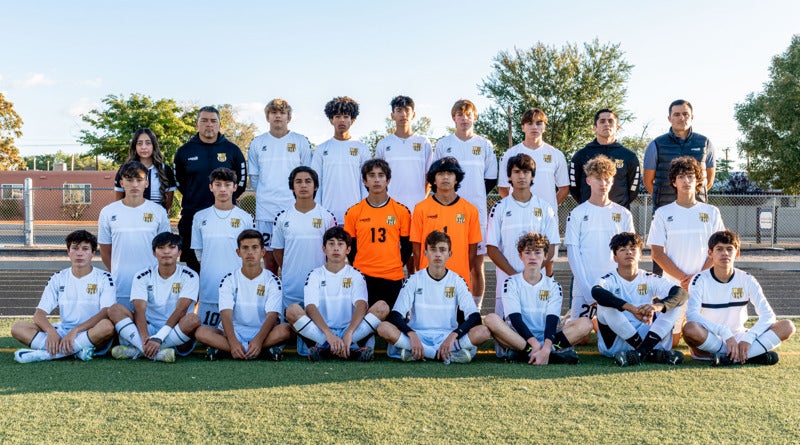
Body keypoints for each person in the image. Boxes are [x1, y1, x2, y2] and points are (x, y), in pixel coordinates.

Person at [683, 230, 795, 366]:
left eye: (730, 249)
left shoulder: (747, 279)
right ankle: (749, 356)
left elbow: (768, 315)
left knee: (787, 326)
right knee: (690, 329)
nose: (725, 253)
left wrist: (748, 338)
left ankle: (727, 357)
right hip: (712, 337)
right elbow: (692, 315)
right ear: (710, 253)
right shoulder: (699, 279)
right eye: (719, 249)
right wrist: (724, 332)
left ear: (737, 253)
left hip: (740, 337)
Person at [377, 231, 491, 364]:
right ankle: (443, 354)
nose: (438, 254)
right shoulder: (414, 280)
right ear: (425, 253)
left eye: (442, 250)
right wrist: (411, 334)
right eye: (433, 250)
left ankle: (420, 353)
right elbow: (396, 315)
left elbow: (474, 316)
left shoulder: (457, 280)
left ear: (450, 254)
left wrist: (454, 334)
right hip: (418, 336)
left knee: (483, 332)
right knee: (383, 327)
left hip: (447, 337)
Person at [647, 156, 724, 346]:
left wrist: (697, 278)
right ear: (674, 181)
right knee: (670, 344)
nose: (686, 181)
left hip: (704, 285)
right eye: (681, 177)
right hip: (674, 287)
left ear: (698, 180)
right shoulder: (663, 213)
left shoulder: (711, 212)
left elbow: (719, 250)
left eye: (690, 176)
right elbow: (657, 253)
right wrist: (683, 279)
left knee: (699, 338)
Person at [286, 226, 389, 361]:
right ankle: (347, 350)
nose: (336, 248)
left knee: (382, 307)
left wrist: (350, 332)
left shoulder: (356, 275)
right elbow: (310, 307)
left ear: (348, 249)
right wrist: (328, 334)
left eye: (340, 244)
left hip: (351, 331)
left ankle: (329, 349)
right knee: (292, 310)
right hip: (322, 332)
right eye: (331, 244)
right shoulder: (315, 275)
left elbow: (361, 306)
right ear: (324, 249)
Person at [484, 233, 590, 365]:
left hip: (549, 338)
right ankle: (545, 354)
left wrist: (545, 348)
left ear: (545, 256)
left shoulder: (553, 285)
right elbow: (515, 319)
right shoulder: (510, 282)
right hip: (519, 338)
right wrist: (533, 344)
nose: (532, 257)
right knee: (490, 319)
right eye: (528, 252)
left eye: (538, 252)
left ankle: (530, 354)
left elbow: (552, 321)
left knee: (586, 323)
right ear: (520, 256)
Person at [12, 230, 115, 363]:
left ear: (92, 253)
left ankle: (47, 354)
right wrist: (51, 332)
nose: (79, 253)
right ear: (68, 252)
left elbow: (105, 312)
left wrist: (76, 330)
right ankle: (77, 351)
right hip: (63, 331)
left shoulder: (104, 278)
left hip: (90, 332)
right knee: (18, 328)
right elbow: (39, 314)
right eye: (75, 248)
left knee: (107, 326)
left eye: (85, 249)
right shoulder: (58, 278)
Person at [434, 99, 498, 305]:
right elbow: (436, 177)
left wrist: (473, 199)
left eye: (468, 114)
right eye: (460, 115)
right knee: (447, 260)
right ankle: (448, 305)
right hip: (448, 212)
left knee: (476, 265)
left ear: (475, 117)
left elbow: (490, 179)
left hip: (476, 214)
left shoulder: (484, 145)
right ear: (454, 118)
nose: (464, 118)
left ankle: (475, 308)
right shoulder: (444, 144)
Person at [592, 232, 689, 367]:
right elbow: (596, 292)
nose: (628, 252)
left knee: (674, 304)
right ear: (615, 257)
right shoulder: (609, 279)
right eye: (622, 249)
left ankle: (640, 353)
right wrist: (631, 309)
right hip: (616, 343)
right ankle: (649, 352)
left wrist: (657, 307)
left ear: (641, 254)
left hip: (645, 337)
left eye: (633, 248)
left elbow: (682, 293)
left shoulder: (649, 277)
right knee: (603, 304)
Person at [195, 230, 291, 361]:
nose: (250, 252)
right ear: (238, 252)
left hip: (262, 332)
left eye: (255, 247)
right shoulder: (228, 279)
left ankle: (234, 349)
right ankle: (255, 350)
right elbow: (226, 315)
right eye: (245, 248)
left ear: (263, 252)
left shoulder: (273, 280)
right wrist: (233, 342)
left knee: (285, 330)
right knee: (201, 332)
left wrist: (258, 341)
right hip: (233, 332)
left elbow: (272, 317)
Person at [107, 232, 200, 363]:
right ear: (154, 253)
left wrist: (159, 337)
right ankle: (151, 350)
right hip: (148, 327)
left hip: (175, 330)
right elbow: (139, 310)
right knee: (114, 309)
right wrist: (145, 337)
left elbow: (181, 310)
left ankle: (140, 350)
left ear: (179, 252)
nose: (166, 252)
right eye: (161, 248)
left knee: (193, 319)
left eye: (172, 247)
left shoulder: (190, 275)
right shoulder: (142, 275)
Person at [174, 105, 247, 272]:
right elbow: (179, 182)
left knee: (228, 261)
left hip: (226, 216)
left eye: (213, 121)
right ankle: (198, 298)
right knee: (194, 265)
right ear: (197, 124)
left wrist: (224, 201)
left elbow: (241, 183)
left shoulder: (232, 150)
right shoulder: (184, 151)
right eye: (204, 120)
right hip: (192, 215)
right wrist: (195, 196)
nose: (209, 124)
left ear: (220, 125)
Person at [486, 153, 559, 318]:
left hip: (536, 281)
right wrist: (515, 276)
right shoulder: (499, 208)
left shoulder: (545, 208)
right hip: (507, 280)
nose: (521, 176)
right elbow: (491, 248)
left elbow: (552, 247)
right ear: (509, 177)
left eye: (526, 172)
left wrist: (532, 273)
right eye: (516, 172)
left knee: (536, 328)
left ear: (532, 176)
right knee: (505, 336)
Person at [564, 155, 634, 322]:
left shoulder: (623, 214)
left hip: (615, 287)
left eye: (607, 179)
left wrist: (625, 285)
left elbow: (631, 254)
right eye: (598, 179)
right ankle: (569, 319)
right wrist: (588, 290)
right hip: (585, 286)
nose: (603, 184)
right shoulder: (577, 214)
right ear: (588, 180)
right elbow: (573, 255)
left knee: (615, 332)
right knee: (580, 336)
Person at [248, 98, 312, 275]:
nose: (278, 116)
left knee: (293, 255)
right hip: (266, 209)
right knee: (269, 259)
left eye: (282, 113)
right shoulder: (257, 143)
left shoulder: (300, 141)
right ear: (267, 117)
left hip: (293, 208)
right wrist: (266, 193)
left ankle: (293, 293)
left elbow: (308, 175)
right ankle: (273, 296)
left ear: (289, 118)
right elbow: (254, 178)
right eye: (274, 112)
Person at [98, 161, 170, 310]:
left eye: (139, 180)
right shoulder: (108, 212)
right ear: (121, 183)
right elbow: (105, 251)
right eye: (129, 180)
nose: (134, 185)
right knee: (121, 330)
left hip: (152, 285)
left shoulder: (158, 212)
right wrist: (117, 273)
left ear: (147, 183)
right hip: (121, 286)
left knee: (149, 330)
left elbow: (165, 250)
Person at [410, 157, 482, 305]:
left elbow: (472, 250)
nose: (445, 177)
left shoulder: (470, 210)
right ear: (433, 180)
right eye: (440, 173)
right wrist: (422, 271)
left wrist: (462, 271)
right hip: (428, 277)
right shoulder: (421, 208)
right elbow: (416, 248)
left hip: (459, 278)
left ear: (457, 179)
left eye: (450, 173)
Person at [344, 159, 412, 308]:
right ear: (364, 181)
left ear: (387, 180)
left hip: (392, 276)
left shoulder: (401, 211)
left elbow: (408, 246)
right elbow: (350, 247)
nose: (376, 179)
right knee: (364, 323)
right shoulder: (353, 212)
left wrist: (395, 264)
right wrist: (360, 266)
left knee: (389, 325)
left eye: (381, 175)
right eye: (372, 175)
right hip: (363, 276)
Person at [191, 168, 254, 328]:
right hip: (209, 288)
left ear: (234, 187)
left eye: (227, 184)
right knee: (207, 334)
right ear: (211, 187)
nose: (223, 189)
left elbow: (250, 254)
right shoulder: (200, 217)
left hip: (237, 289)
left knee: (236, 332)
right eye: (218, 185)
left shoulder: (245, 218)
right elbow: (199, 253)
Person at [272, 166, 337, 310]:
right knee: (289, 330)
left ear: (315, 187)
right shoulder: (282, 217)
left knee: (316, 329)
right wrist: (290, 270)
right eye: (298, 182)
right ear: (292, 187)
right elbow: (278, 251)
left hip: (319, 288)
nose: (303, 185)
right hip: (291, 289)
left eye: (308, 181)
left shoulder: (327, 217)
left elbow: (333, 253)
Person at [644, 99, 715, 211]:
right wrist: (665, 201)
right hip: (664, 209)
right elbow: (648, 181)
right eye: (676, 114)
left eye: (685, 114)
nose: (681, 118)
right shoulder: (656, 144)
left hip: (698, 210)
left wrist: (689, 199)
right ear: (669, 118)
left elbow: (709, 181)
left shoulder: (705, 143)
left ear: (692, 117)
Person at [311, 96, 370, 224]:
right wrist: (319, 212)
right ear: (331, 120)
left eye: (346, 116)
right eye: (337, 116)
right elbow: (316, 184)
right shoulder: (321, 149)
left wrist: (363, 212)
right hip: (327, 216)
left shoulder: (362, 149)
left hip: (355, 216)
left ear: (352, 120)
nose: (341, 120)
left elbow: (366, 184)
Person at [498, 108, 569, 210]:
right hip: (518, 214)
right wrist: (517, 206)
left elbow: (564, 188)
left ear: (544, 127)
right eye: (530, 123)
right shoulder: (510, 154)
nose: (535, 127)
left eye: (539, 123)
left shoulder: (556, 154)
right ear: (523, 127)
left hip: (547, 217)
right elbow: (503, 188)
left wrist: (549, 207)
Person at [569, 109, 641, 209]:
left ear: (617, 127)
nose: (606, 124)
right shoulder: (581, 155)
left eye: (610, 121)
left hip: (618, 214)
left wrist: (619, 205)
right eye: (602, 121)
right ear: (595, 128)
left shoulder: (629, 156)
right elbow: (573, 186)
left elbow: (633, 187)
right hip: (588, 214)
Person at [374, 95, 434, 211]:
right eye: (399, 110)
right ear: (392, 115)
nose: (403, 114)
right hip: (390, 207)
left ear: (413, 114)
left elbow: (429, 177)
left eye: (407, 110)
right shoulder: (383, 144)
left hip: (417, 208)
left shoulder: (424, 142)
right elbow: (378, 176)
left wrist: (422, 200)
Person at [114, 128, 177, 211]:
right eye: (139, 143)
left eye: (148, 143)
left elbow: (168, 204)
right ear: (134, 146)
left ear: (154, 145)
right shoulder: (124, 170)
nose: (143, 147)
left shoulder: (165, 170)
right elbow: (119, 201)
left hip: (156, 221)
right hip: (132, 220)